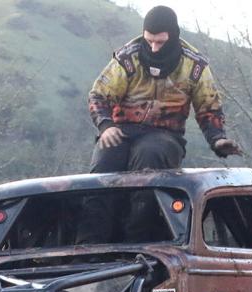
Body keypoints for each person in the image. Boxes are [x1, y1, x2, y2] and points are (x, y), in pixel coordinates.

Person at [87, 6, 240, 172]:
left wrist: (217, 139)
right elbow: (99, 95)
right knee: (105, 162)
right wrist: (106, 126)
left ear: (173, 36)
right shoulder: (127, 59)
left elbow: (208, 107)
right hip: (121, 130)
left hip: (165, 135)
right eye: (149, 41)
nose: (154, 48)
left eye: (160, 42)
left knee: (149, 154)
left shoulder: (195, 66)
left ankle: (145, 199)